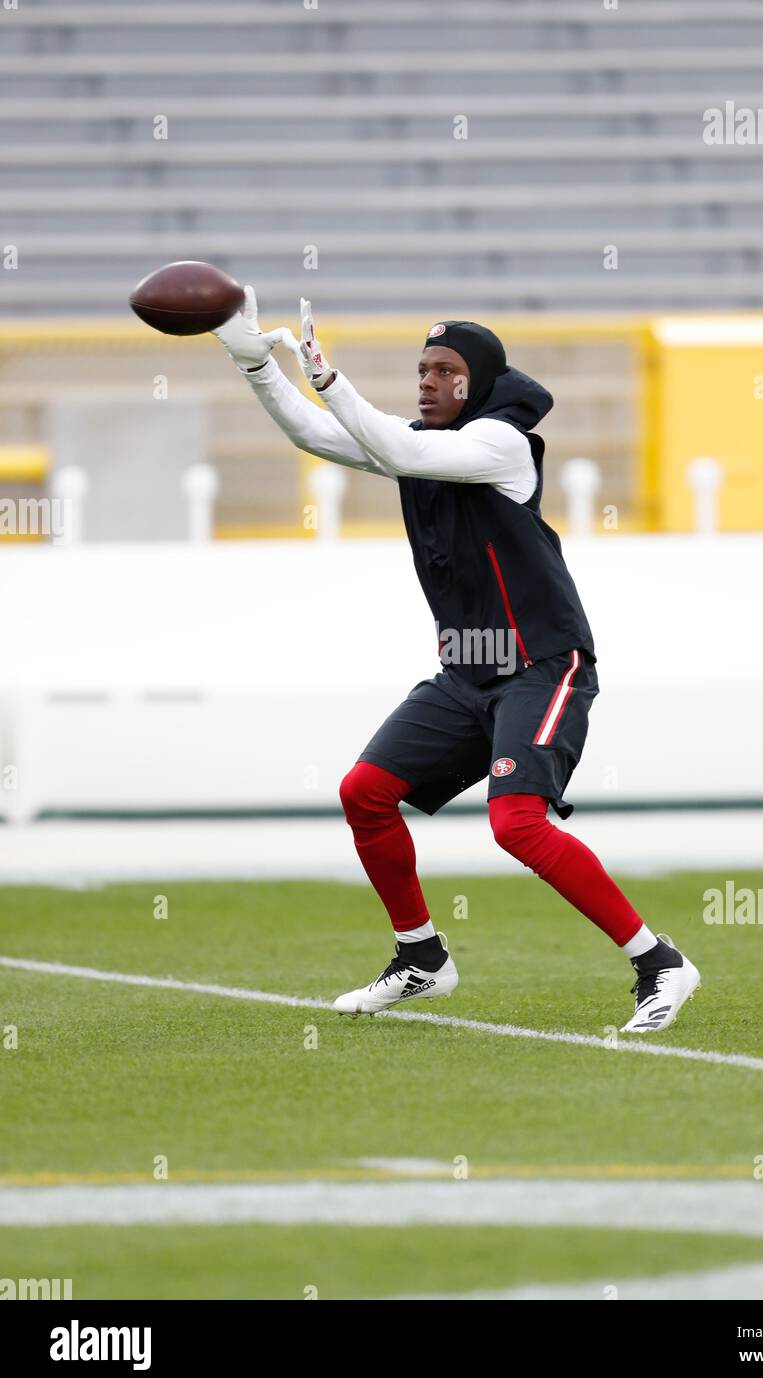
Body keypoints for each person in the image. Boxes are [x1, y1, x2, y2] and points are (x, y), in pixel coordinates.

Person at [213, 291, 701, 1032]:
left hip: (543, 664)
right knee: (365, 790)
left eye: (444, 370)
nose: (428, 381)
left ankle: (658, 961)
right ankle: (421, 959)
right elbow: (319, 438)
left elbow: (398, 448)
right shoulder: (417, 444)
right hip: (466, 672)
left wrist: (328, 377)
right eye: (422, 369)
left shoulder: (499, 446)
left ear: (477, 383)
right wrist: (255, 364)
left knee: (516, 825)